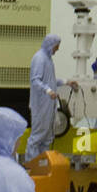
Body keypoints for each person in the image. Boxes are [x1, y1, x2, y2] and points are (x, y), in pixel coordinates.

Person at [25, 33, 64, 162]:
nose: (57, 50)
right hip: (40, 105)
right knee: (37, 137)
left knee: (46, 138)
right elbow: (35, 80)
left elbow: (50, 80)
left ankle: (42, 165)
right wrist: (48, 91)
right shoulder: (39, 58)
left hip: (48, 105)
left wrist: (66, 82)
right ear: (51, 44)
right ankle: (32, 166)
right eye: (56, 47)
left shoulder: (48, 59)